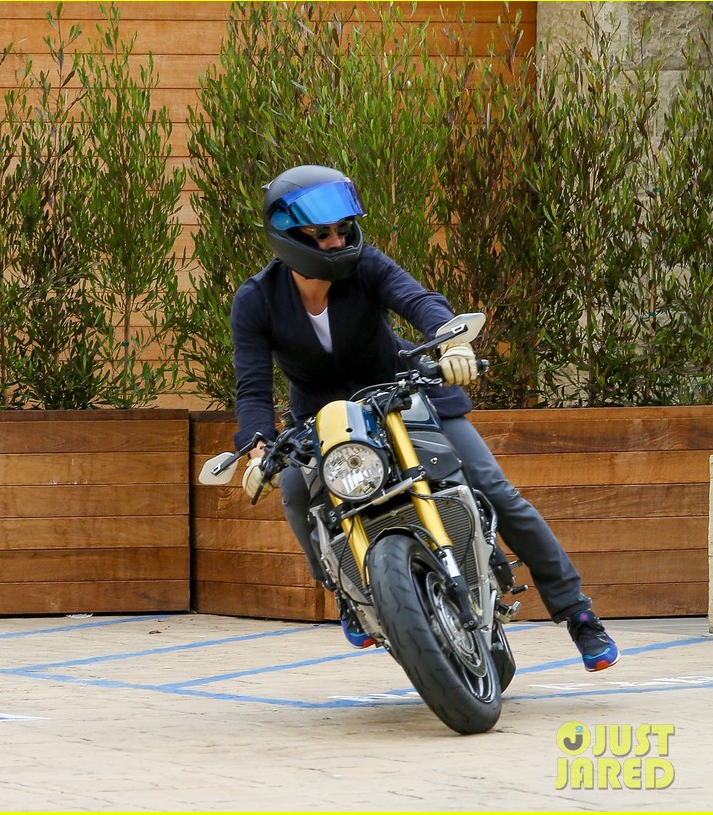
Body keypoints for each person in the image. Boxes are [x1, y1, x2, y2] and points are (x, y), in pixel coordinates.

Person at [231, 164, 619, 672]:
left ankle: (578, 614)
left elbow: (418, 300)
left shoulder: (366, 265)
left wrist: (450, 341)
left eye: (343, 229)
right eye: (321, 234)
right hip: (323, 420)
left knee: (495, 488)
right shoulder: (256, 300)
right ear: (288, 237)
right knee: (296, 492)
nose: (336, 242)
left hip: (402, 394)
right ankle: (345, 590)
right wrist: (258, 450)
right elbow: (253, 387)